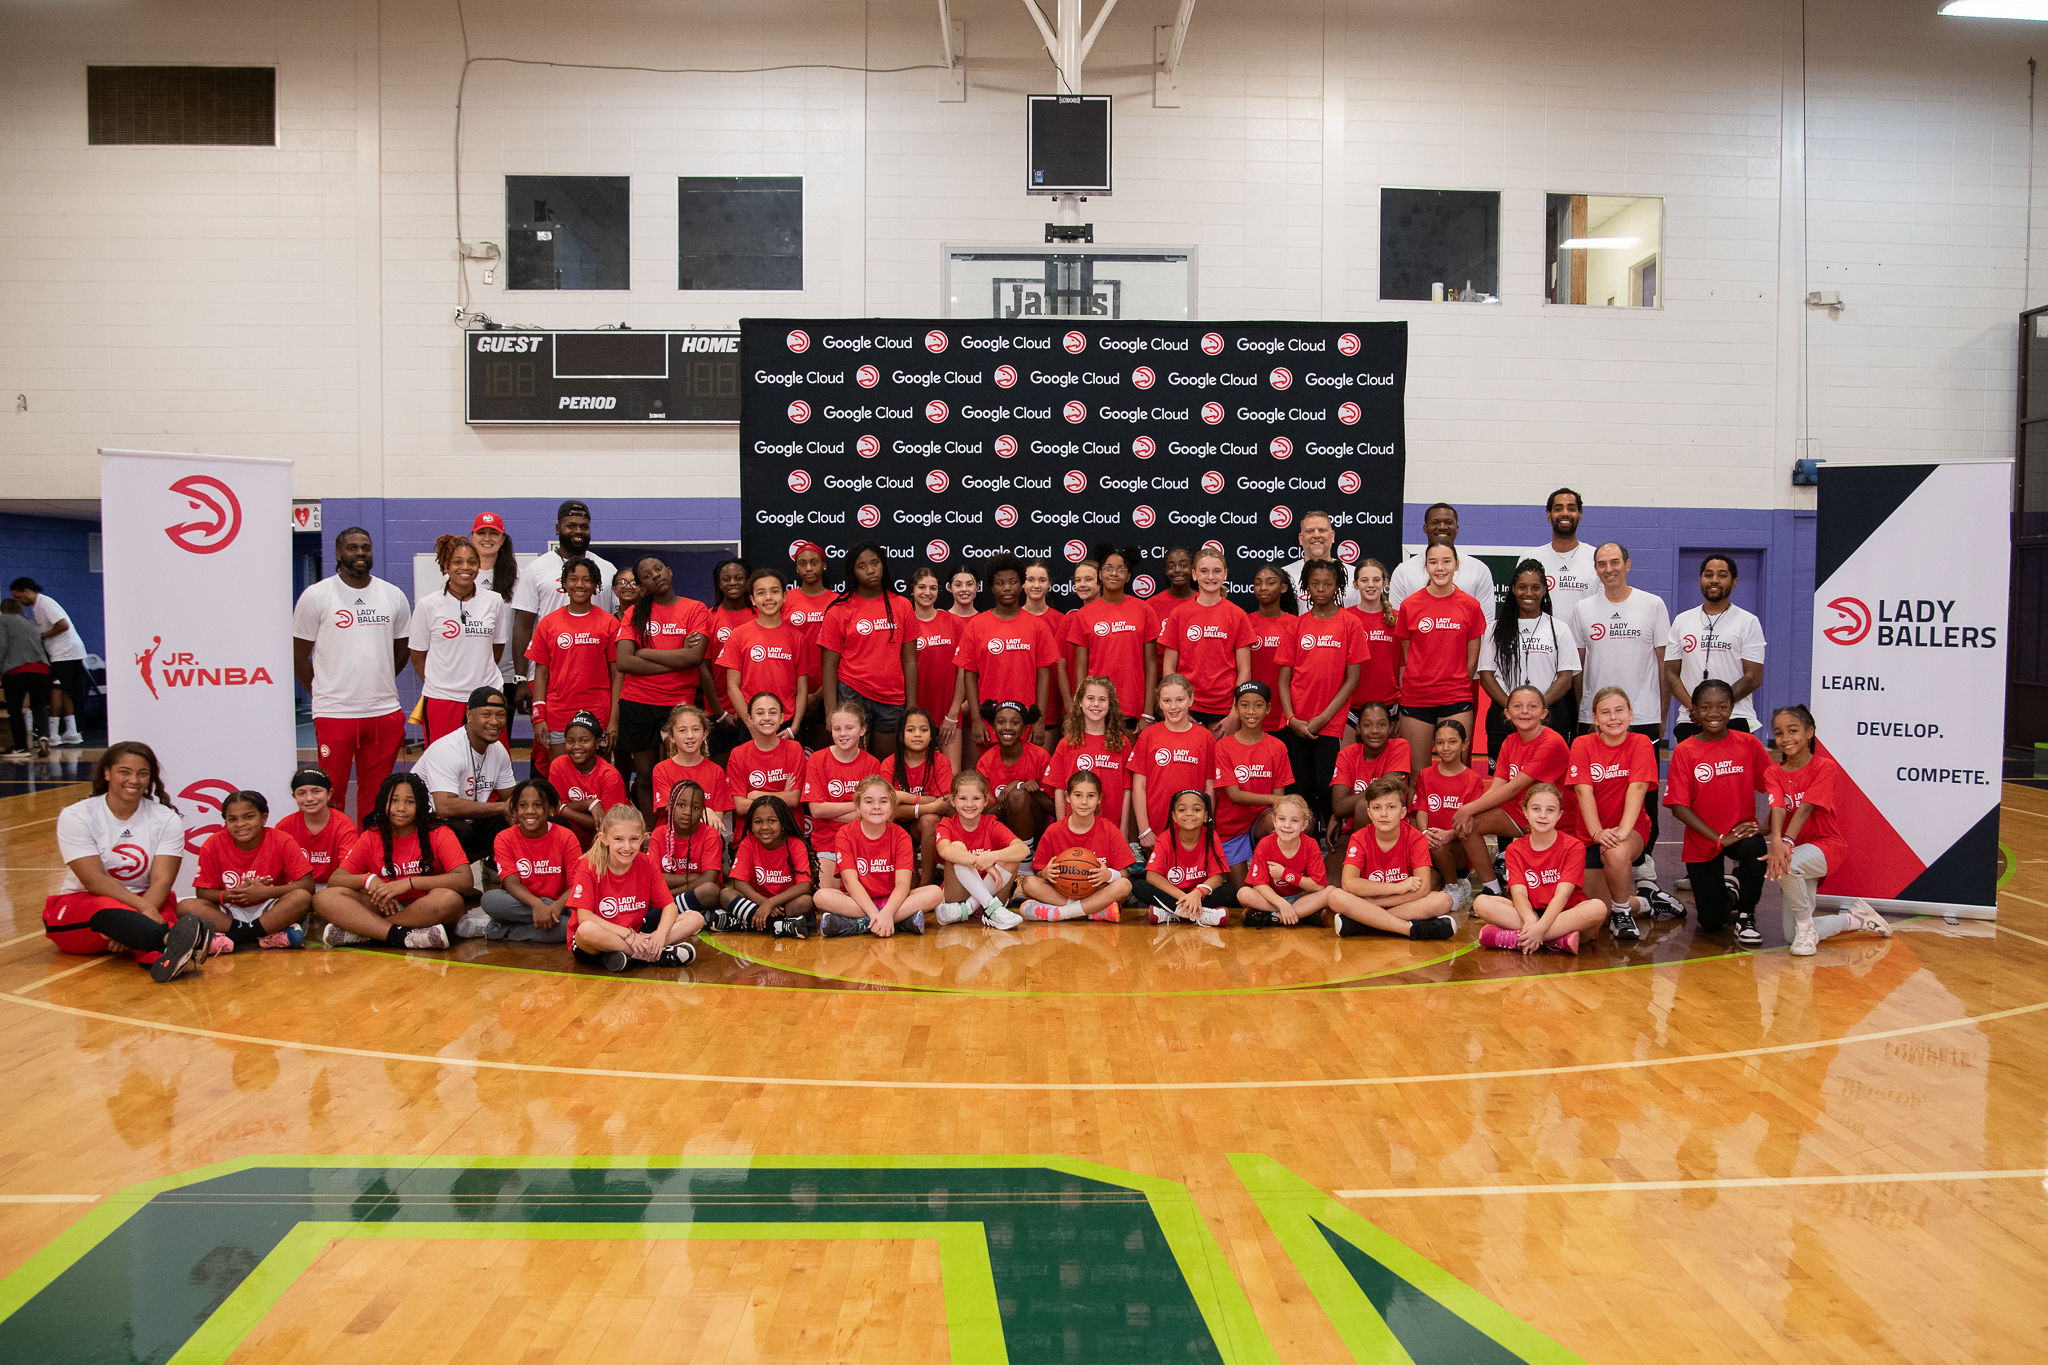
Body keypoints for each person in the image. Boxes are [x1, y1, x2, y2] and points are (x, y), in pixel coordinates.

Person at [43, 741, 210, 981]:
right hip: (83, 908)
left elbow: (162, 882)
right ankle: (170, 940)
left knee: (164, 910)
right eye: (125, 772)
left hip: (149, 901)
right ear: (107, 773)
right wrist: (139, 912)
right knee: (104, 907)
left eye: (143, 774)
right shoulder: (77, 815)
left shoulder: (166, 818)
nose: (134, 780)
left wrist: (130, 926)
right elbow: (94, 881)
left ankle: (167, 956)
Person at [291, 527, 411, 821]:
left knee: (378, 794)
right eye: (353, 547)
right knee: (330, 792)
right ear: (338, 553)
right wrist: (322, 690)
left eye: (365, 548)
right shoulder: (317, 596)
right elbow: (299, 656)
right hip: (335, 712)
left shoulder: (392, 595)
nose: (360, 553)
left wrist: (377, 678)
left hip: (382, 711)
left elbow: (402, 650)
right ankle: (336, 857)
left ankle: (370, 853)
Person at [1567, 541, 1672, 874]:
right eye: (1601, 564)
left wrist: (1662, 714)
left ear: (1627, 564)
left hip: (1642, 713)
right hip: (1595, 716)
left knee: (1642, 793)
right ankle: (1602, 846)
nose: (1608, 569)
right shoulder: (1583, 609)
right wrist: (1582, 712)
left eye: (1614, 562)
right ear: (1595, 569)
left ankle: (1643, 860)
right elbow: (1578, 668)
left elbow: (1663, 662)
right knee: (1599, 788)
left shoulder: (1652, 605)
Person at [1764, 704, 1893, 956]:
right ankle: (1855, 920)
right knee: (1791, 936)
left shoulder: (1824, 767)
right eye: (1779, 733)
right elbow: (1778, 807)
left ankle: (1805, 925)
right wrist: (1775, 840)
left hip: (1825, 845)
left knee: (1787, 864)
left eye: (1793, 730)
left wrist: (1784, 843)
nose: (1786, 738)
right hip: (1795, 849)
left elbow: (1806, 807)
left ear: (1809, 732)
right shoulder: (1773, 771)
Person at [1664, 679, 1770, 945]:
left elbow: (1775, 787)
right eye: (1706, 707)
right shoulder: (1685, 751)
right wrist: (1718, 838)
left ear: (1732, 709)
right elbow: (1678, 806)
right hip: (1705, 838)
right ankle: (1731, 892)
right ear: (1695, 712)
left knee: (1755, 848)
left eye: (1722, 707)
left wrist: (1766, 828)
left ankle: (1746, 915)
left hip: (1741, 831)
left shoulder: (1748, 744)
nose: (1714, 714)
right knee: (1712, 923)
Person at [316, 771, 470, 950]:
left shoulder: (438, 833)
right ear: (384, 803)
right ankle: (401, 935)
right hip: (384, 905)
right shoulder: (372, 836)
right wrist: (369, 880)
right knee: (324, 897)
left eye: (409, 802)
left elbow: (465, 879)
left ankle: (365, 932)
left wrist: (409, 883)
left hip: (425, 905)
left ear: (420, 805)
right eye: (394, 800)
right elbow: (336, 880)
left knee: (450, 900)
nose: (401, 808)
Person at [611, 555, 712, 816]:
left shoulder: (695, 609)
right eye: (647, 575)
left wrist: (644, 653)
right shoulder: (635, 613)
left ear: (669, 570)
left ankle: (676, 828)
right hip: (638, 701)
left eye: (658, 569)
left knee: (677, 773)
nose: (655, 575)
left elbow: (695, 657)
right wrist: (679, 659)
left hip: (677, 705)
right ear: (643, 586)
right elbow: (624, 661)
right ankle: (649, 831)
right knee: (644, 776)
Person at [1565, 686, 1662, 943]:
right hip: (1590, 836)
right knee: (1596, 911)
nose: (1613, 718)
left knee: (1616, 851)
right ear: (1595, 718)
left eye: (1619, 711)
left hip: (1630, 831)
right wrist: (1597, 832)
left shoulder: (1640, 742)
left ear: (1630, 714)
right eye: (1605, 712)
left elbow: (1638, 788)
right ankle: (1645, 903)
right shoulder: (1582, 744)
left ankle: (1623, 913)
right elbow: (1583, 793)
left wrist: (1621, 832)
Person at [1450, 684, 1570, 891]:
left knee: (1470, 815)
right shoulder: (1509, 742)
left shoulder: (1552, 742)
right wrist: (1464, 817)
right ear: (1507, 712)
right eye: (1517, 706)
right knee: (1470, 826)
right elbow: (1497, 788)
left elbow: (1513, 788)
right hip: (1522, 811)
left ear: (1543, 713)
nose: (1524, 711)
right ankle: (1492, 889)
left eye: (1532, 707)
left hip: (1555, 816)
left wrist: (1467, 809)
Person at [1278, 559, 1369, 833]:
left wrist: (1324, 717)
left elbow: (1352, 679)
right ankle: (1304, 840)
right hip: (1296, 722)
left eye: (1327, 584)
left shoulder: (1350, 624)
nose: (1321, 590)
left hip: (1330, 723)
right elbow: (1283, 680)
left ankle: (1332, 840)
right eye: (1315, 584)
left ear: (1338, 586)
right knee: (1300, 785)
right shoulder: (1296, 625)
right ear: (1306, 587)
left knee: (1325, 785)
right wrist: (1292, 718)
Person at [1471, 782, 1607, 955]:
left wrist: (1540, 929)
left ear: (1559, 815)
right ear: (1525, 812)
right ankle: (1558, 940)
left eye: (1550, 810)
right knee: (1481, 903)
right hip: (1529, 913)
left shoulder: (1574, 847)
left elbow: (1562, 895)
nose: (1543, 815)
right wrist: (1530, 919)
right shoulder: (1515, 849)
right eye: (1536, 809)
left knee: (1597, 908)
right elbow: (1519, 894)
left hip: (1565, 914)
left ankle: (1517, 939)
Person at [565, 803, 702, 970]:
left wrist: (660, 935)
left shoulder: (646, 862)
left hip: (636, 930)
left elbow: (669, 907)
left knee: (695, 918)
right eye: (618, 839)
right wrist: (628, 936)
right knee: (587, 930)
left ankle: (633, 952)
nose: (627, 847)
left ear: (643, 838)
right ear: (604, 838)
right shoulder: (589, 865)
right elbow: (585, 918)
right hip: (596, 940)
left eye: (634, 839)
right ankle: (649, 954)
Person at [1392, 542, 1486, 780]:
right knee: (1417, 774)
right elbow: (1407, 654)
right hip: (1416, 698)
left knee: (1456, 772)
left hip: (1455, 697)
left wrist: (1454, 681)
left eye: (1446, 561)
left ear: (1456, 564)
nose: (1440, 568)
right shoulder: (1410, 605)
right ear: (1426, 566)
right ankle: (1417, 818)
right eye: (1433, 562)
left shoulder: (1470, 606)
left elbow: (1472, 659)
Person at [510, 499, 618, 706]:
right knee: (549, 737)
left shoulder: (607, 569)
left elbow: (618, 622)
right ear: (558, 528)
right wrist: (521, 678)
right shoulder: (536, 569)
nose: (578, 531)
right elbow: (523, 625)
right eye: (571, 526)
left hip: (597, 678)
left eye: (584, 527)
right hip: (546, 675)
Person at [409, 534, 511, 747]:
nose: (465, 567)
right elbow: (418, 655)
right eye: (457, 561)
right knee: (444, 766)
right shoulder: (428, 605)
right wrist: (442, 681)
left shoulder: (494, 601)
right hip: (443, 699)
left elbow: (497, 648)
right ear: (446, 565)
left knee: (490, 768)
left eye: (472, 562)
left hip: (486, 697)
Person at [178, 791, 312, 950]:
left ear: (264, 818)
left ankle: (232, 940)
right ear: (225, 821)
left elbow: (307, 885)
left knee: (301, 897)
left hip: (271, 909)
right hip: (230, 911)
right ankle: (267, 937)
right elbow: (203, 893)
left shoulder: (282, 840)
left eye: (249, 817)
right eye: (232, 819)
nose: (240, 824)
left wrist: (265, 892)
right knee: (185, 907)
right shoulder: (213, 843)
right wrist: (232, 895)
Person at [954, 555, 1060, 755]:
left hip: (1027, 723)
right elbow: (969, 673)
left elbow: (1044, 674)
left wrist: (1039, 719)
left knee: (1027, 783)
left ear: (1021, 585)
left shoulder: (1037, 626)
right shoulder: (977, 625)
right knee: (990, 782)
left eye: (1013, 582)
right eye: (1000, 583)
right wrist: (977, 719)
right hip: (989, 723)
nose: (1007, 588)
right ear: (992, 587)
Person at [1328, 776, 1457, 939]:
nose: (1383, 814)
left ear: (1402, 812)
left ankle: (1364, 923)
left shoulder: (1416, 838)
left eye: (1391, 807)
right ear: (1369, 812)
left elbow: (1423, 888)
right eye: (1376, 807)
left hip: (1393, 901)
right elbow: (1348, 883)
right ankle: (1408, 929)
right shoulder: (1359, 838)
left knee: (1444, 900)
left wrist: (1375, 905)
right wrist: (1397, 887)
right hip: (1395, 895)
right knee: (1335, 896)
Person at [819, 543, 917, 757]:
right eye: (861, 566)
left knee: (884, 765)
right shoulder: (839, 610)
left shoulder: (902, 606)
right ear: (852, 572)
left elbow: (910, 660)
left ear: (883, 565)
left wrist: (912, 705)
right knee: (855, 763)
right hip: (852, 693)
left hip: (892, 697)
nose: (870, 570)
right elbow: (828, 665)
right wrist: (831, 712)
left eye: (874, 563)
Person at [815, 775, 944, 938]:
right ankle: (898, 922)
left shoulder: (901, 836)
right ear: (858, 807)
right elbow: (850, 882)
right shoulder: (845, 834)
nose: (876, 807)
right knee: (821, 897)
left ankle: (860, 924)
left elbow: (903, 885)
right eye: (868, 801)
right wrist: (879, 915)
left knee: (935, 893)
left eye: (883, 801)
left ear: (892, 807)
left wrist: (887, 912)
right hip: (858, 901)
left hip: (893, 901)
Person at [526, 556, 617, 773]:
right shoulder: (548, 624)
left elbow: (617, 676)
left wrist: (614, 720)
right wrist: (539, 716)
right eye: (573, 579)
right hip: (558, 713)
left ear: (595, 585)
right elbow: (540, 673)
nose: (580, 585)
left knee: (596, 777)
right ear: (564, 584)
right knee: (561, 776)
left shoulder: (609, 623)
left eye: (586, 580)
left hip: (598, 712)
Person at [1477, 558, 1579, 752]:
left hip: (1549, 717)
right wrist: (1514, 709)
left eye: (1535, 587)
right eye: (1523, 587)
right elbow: (1486, 676)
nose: (1529, 593)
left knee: (1547, 781)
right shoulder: (1495, 629)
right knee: (1506, 780)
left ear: (1544, 590)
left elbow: (1565, 679)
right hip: (1505, 718)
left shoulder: (1559, 629)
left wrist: (1536, 709)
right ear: (1514, 589)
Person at [1664, 553, 1767, 740]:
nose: (1714, 580)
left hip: (1735, 717)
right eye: (1708, 574)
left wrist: (1717, 708)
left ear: (1734, 582)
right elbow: (1671, 673)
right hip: (1691, 719)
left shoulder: (1748, 621)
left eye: (1722, 575)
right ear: (1700, 580)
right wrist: (1696, 708)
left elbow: (1753, 677)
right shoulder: (1682, 620)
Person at [412, 685, 517, 864]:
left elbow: (513, 799)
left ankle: (496, 871)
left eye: (500, 715)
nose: (495, 721)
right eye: (486, 715)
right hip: (426, 822)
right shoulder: (448, 749)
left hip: (467, 819)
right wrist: (502, 807)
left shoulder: (498, 750)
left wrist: (524, 831)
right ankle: (449, 880)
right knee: (462, 832)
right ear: (469, 716)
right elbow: (445, 807)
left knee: (509, 828)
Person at [1016, 770, 1136, 921]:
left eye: (1091, 796)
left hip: (1097, 892)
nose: (1084, 802)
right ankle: (1090, 913)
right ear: (1067, 797)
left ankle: (1062, 913)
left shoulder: (1109, 829)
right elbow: (1038, 873)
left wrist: (1109, 875)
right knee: (1029, 883)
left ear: (1099, 798)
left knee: (1124, 885)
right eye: (1078, 795)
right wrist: (1045, 873)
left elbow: (1123, 874)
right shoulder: (1054, 831)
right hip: (1063, 892)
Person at [1157, 547, 1253, 728]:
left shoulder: (1237, 615)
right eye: (1204, 571)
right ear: (1194, 575)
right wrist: (1177, 706)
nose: (1210, 577)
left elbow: (1245, 671)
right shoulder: (1179, 614)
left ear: (1225, 574)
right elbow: (1169, 667)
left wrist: (1235, 713)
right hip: (1188, 705)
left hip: (1224, 708)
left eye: (1216, 571)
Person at [480, 777, 580, 942]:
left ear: (551, 810)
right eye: (523, 805)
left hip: (560, 905)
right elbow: (511, 883)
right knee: (489, 900)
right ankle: (544, 917)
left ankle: (502, 930)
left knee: (568, 927)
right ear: (514, 811)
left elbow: (577, 885)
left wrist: (555, 906)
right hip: (522, 903)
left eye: (538, 805)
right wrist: (538, 905)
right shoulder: (504, 838)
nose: (530, 811)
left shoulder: (566, 837)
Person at [1069, 546, 1158, 730]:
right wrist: (1079, 710)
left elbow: (1151, 664)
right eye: (1108, 568)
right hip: (1095, 708)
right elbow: (1081, 669)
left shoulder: (1144, 610)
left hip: (1133, 708)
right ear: (1100, 574)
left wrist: (1148, 712)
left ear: (1128, 576)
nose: (1114, 573)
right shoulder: (1084, 615)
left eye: (1121, 569)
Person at [1212, 681, 1293, 874]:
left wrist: (1277, 801)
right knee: (1240, 893)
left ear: (1268, 709)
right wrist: (1275, 799)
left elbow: (1278, 802)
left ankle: (1274, 868)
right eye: (1244, 705)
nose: (1251, 711)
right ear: (1236, 708)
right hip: (1230, 830)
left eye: (1258, 705)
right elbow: (1234, 795)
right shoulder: (1223, 746)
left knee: (1283, 819)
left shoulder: (1277, 747)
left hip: (1262, 824)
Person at [933, 770, 1029, 929]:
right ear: (952, 801)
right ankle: (991, 908)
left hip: (989, 895)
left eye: (976, 798)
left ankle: (973, 907)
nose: (969, 805)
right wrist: (981, 861)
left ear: (986, 801)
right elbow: (945, 851)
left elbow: (1022, 850)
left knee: (1010, 857)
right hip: (958, 897)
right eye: (963, 798)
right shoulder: (946, 825)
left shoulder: (991, 824)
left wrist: (992, 857)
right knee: (957, 848)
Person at [1132, 674, 1215, 858]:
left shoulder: (1205, 737)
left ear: (1191, 699)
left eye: (1179, 700)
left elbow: (1209, 786)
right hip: (1155, 829)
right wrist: (1144, 830)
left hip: (1193, 828)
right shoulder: (1148, 736)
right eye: (1167, 701)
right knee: (1156, 884)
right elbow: (1139, 786)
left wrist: (1206, 824)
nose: (1173, 707)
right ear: (1159, 704)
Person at [1412, 718, 1490, 912]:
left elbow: (1473, 822)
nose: (1446, 747)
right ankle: (1450, 882)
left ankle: (1455, 885)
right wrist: (1424, 832)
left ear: (1465, 744)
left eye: (1452, 742)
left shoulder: (1472, 780)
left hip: (1458, 848)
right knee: (1424, 887)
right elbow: (1421, 809)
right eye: (1440, 742)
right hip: (1430, 848)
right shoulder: (1425, 775)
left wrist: (1449, 834)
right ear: (1433, 745)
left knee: (1439, 844)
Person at [718, 567, 808, 733]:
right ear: (752, 599)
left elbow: (802, 689)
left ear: (784, 596)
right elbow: (732, 686)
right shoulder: (738, 635)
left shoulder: (797, 638)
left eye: (774, 591)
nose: (768, 598)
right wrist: (749, 723)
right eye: (761, 593)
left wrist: (794, 727)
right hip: (750, 723)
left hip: (785, 724)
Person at [803, 700, 885, 876]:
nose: (842, 734)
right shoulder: (817, 760)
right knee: (825, 899)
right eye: (837, 729)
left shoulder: (872, 764)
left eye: (849, 728)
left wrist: (831, 811)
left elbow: (875, 813)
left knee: (860, 893)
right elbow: (816, 810)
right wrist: (859, 805)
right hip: (827, 844)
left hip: (863, 842)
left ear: (862, 730)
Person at [715, 795, 814, 937]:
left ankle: (746, 922)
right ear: (751, 825)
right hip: (756, 902)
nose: (765, 827)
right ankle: (778, 925)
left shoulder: (795, 844)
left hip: (783, 904)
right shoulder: (748, 843)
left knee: (805, 902)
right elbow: (739, 882)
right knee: (726, 894)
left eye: (772, 821)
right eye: (758, 822)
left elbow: (805, 885)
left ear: (783, 823)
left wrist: (771, 903)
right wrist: (763, 903)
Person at [1047, 677, 1134, 836]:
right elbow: (1059, 790)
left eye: (1102, 699)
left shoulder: (1122, 744)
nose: (1096, 704)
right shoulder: (1066, 744)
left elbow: (1127, 790)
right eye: (1090, 698)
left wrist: (1123, 829)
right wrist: (1061, 828)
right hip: (1075, 830)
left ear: (1110, 704)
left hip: (1111, 830)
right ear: (1080, 702)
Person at [1140, 788, 1238, 926]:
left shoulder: (1211, 836)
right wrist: (1185, 897)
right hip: (1174, 894)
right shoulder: (1165, 838)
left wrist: (1197, 893)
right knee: (1137, 885)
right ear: (1173, 816)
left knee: (1230, 891)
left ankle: (1171, 913)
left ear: (1205, 815)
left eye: (1197, 810)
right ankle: (1202, 915)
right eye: (1181, 810)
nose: (1189, 814)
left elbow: (1218, 876)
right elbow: (1152, 875)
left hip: (1199, 894)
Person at [1386, 505, 1498, 625]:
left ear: (1457, 528)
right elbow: (1397, 623)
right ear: (1425, 528)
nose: (1442, 527)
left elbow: (1486, 624)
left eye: (1448, 522)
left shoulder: (1478, 569)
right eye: (1435, 522)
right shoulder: (1404, 571)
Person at [9, 577, 86, 747]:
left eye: (18, 597)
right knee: (65, 691)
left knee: (55, 690)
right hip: (66, 652)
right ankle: (72, 732)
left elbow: (62, 625)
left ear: (27, 591)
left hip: (64, 653)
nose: (19, 602)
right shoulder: (37, 607)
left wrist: (41, 637)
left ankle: (53, 734)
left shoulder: (45, 603)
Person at [1238, 793, 1332, 927]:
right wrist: (1281, 904)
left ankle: (1274, 918)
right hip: (1272, 899)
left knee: (1330, 892)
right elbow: (1259, 884)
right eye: (1282, 819)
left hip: (1301, 897)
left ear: (1304, 825)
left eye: (1294, 821)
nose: (1287, 825)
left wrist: (1285, 874)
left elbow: (1318, 885)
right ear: (1274, 821)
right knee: (1243, 894)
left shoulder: (1310, 845)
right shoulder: (1265, 844)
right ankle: (1300, 915)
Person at [909, 565, 965, 772]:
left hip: (948, 714)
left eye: (933, 588)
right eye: (922, 587)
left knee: (951, 777)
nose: (927, 593)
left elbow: (963, 669)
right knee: (918, 776)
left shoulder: (953, 622)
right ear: (912, 590)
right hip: (916, 714)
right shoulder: (906, 623)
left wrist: (953, 713)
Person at [1329, 701, 1411, 844]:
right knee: (1331, 865)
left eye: (1382, 724)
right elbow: (1339, 807)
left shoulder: (1400, 746)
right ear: (1358, 728)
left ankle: (1367, 857)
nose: (1375, 731)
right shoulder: (1346, 754)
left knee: (1362, 806)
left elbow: (1387, 797)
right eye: (1367, 725)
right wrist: (1384, 784)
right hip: (1353, 830)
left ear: (1391, 727)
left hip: (1394, 830)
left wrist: (1351, 801)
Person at [889, 708, 954, 883]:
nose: (917, 734)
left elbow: (944, 803)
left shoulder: (940, 761)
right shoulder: (890, 763)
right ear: (901, 735)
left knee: (930, 819)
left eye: (924, 730)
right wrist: (929, 806)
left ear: (932, 735)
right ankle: (914, 876)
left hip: (925, 828)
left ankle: (928, 879)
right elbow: (888, 810)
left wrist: (905, 797)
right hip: (896, 829)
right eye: (911, 730)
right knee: (908, 884)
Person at [546, 709, 627, 847]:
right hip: (571, 837)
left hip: (604, 841)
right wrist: (589, 803)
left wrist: (565, 809)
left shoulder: (610, 775)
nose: (576, 746)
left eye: (584, 741)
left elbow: (607, 825)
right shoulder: (558, 765)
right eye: (570, 741)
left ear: (597, 743)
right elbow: (552, 809)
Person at [649, 704, 733, 837]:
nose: (690, 736)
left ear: (705, 734)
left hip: (704, 840)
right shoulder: (662, 769)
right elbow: (672, 810)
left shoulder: (716, 772)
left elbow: (717, 820)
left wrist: (709, 814)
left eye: (695, 729)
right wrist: (704, 811)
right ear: (671, 736)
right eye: (682, 730)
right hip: (671, 839)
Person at [976, 699, 1053, 842]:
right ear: (992, 727)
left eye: (1015, 723)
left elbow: (1054, 808)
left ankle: (1026, 859)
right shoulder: (985, 761)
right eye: (1001, 722)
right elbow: (984, 814)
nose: (1007, 727)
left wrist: (1025, 790)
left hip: (1035, 829)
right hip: (999, 831)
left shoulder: (1039, 756)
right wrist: (1014, 789)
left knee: (1018, 796)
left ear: (1024, 728)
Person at [725, 691, 805, 829]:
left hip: (788, 831)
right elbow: (740, 806)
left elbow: (794, 799)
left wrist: (757, 794)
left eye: (773, 713)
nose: (767, 718)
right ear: (749, 719)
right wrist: (782, 795)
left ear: (781, 718)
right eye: (760, 713)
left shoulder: (794, 749)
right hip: (750, 834)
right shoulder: (738, 754)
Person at [650, 778, 725, 920]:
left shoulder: (710, 834)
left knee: (710, 890)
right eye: (681, 805)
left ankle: (664, 914)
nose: (687, 812)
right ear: (670, 806)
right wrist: (696, 877)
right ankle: (685, 913)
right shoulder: (659, 834)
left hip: (692, 895)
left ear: (703, 811)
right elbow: (655, 878)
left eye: (695, 808)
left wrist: (670, 895)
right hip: (681, 894)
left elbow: (709, 879)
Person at [785, 541, 837, 742]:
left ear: (823, 565)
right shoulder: (785, 599)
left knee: (825, 749)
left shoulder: (838, 601)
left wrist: (817, 696)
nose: (808, 568)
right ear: (796, 568)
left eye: (814, 562)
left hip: (829, 690)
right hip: (791, 689)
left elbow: (844, 652)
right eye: (803, 563)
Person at [704, 557, 753, 758]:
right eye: (726, 579)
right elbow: (703, 668)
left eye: (739, 578)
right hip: (719, 711)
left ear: (748, 581)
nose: (732, 582)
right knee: (721, 772)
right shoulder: (709, 617)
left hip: (754, 711)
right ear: (719, 583)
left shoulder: (761, 615)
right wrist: (719, 712)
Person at [276, 767, 357, 886]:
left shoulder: (344, 824)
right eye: (302, 793)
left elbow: (349, 870)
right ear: (294, 796)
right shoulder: (284, 826)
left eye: (316, 791)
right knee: (299, 897)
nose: (309, 798)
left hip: (334, 888)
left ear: (329, 794)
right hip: (297, 889)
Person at [1345, 560, 1401, 730]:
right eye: (1364, 580)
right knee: (1349, 756)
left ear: (1385, 583)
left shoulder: (1397, 619)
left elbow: (1404, 666)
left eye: (1376, 580)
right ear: (1355, 584)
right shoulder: (1346, 618)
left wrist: (1405, 706)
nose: (1371, 585)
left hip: (1389, 704)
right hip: (1351, 705)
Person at [1529, 489, 1597, 625]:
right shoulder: (1531, 558)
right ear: (1549, 516)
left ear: (1580, 515)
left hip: (1585, 644)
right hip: (1542, 642)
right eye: (1558, 509)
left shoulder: (1596, 558)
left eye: (1571, 509)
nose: (1565, 513)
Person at [1245, 564, 1298, 741]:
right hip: (1250, 711)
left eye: (1270, 582)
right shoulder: (1245, 622)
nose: (1263, 588)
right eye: (1258, 583)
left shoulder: (1295, 624)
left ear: (1283, 588)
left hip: (1286, 713)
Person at [467, 512, 520, 689]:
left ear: (503, 538)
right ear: (472, 537)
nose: (487, 538)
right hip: (467, 674)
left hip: (506, 675)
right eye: (481, 533)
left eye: (494, 533)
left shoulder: (519, 578)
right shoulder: (457, 577)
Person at [0, 597, 52, 759]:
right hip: (42, 669)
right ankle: (44, 735)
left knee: (15, 710)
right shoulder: (30, 622)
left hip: (18, 670)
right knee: (39, 706)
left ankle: (21, 747)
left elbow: (2, 646)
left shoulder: (3, 620)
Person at [1021, 560, 1070, 733]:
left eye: (1041, 580)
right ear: (1022, 584)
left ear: (1049, 584)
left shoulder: (1061, 620)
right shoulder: (1012, 619)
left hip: (1052, 707)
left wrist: (1068, 708)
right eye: (1030, 580)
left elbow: (1064, 667)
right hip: (1017, 705)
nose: (1036, 585)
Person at [1281, 511, 1360, 607]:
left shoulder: (1354, 575)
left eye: (1322, 530)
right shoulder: (1284, 575)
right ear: (1301, 539)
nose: (1316, 535)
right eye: (1310, 531)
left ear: (1332, 536)